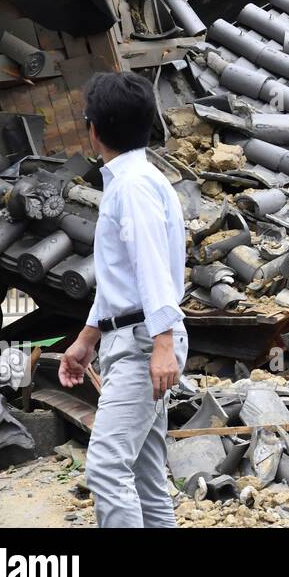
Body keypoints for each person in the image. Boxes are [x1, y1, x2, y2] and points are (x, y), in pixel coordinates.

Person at [59, 72, 189, 528]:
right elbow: (124, 279)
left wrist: (163, 345)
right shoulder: (134, 180)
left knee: (107, 466)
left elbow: (153, 270)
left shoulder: (131, 187)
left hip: (142, 344)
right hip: (133, 338)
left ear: (93, 129)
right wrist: (87, 338)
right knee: (145, 474)